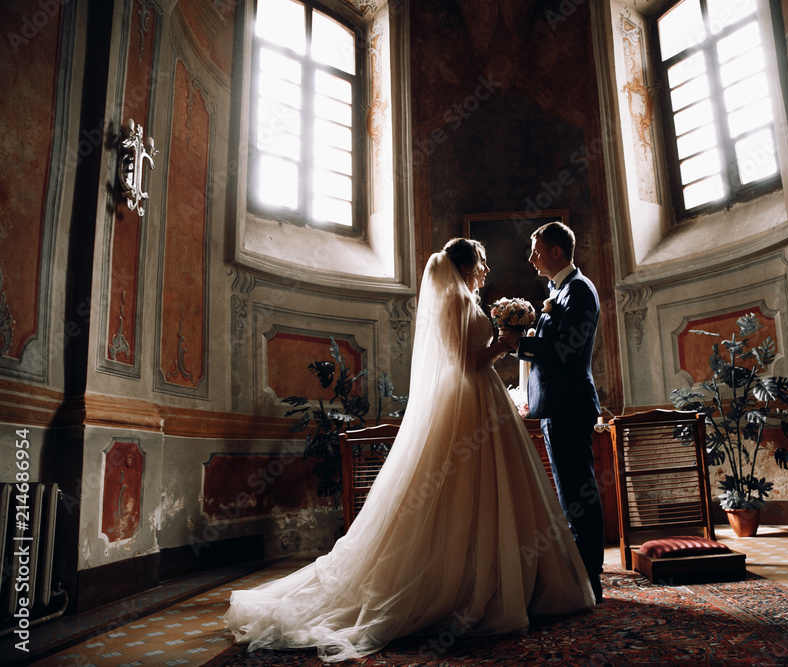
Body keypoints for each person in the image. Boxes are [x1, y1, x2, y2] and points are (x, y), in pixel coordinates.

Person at [223, 238, 594, 662]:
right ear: (466, 266)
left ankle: (501, 578)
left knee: (494, 490)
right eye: (483, 263)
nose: (488, 270)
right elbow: (463, 360)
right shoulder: (455, 301)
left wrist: (504, 341)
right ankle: (461, 585)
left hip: (481, 401)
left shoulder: (463, 298)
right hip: (467, 403)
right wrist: (504, 344)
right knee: (461, 489)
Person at [501, 222, 604, 603]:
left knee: (579, 495)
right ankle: (582, 576)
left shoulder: (578, 291)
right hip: (556, 406)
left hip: (569, 406)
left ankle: (592, 580)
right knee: (569, 494)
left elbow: (567, 351)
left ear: (556, 252)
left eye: (535, 250)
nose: (531, 258)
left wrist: (520, 345)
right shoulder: (557, 291)